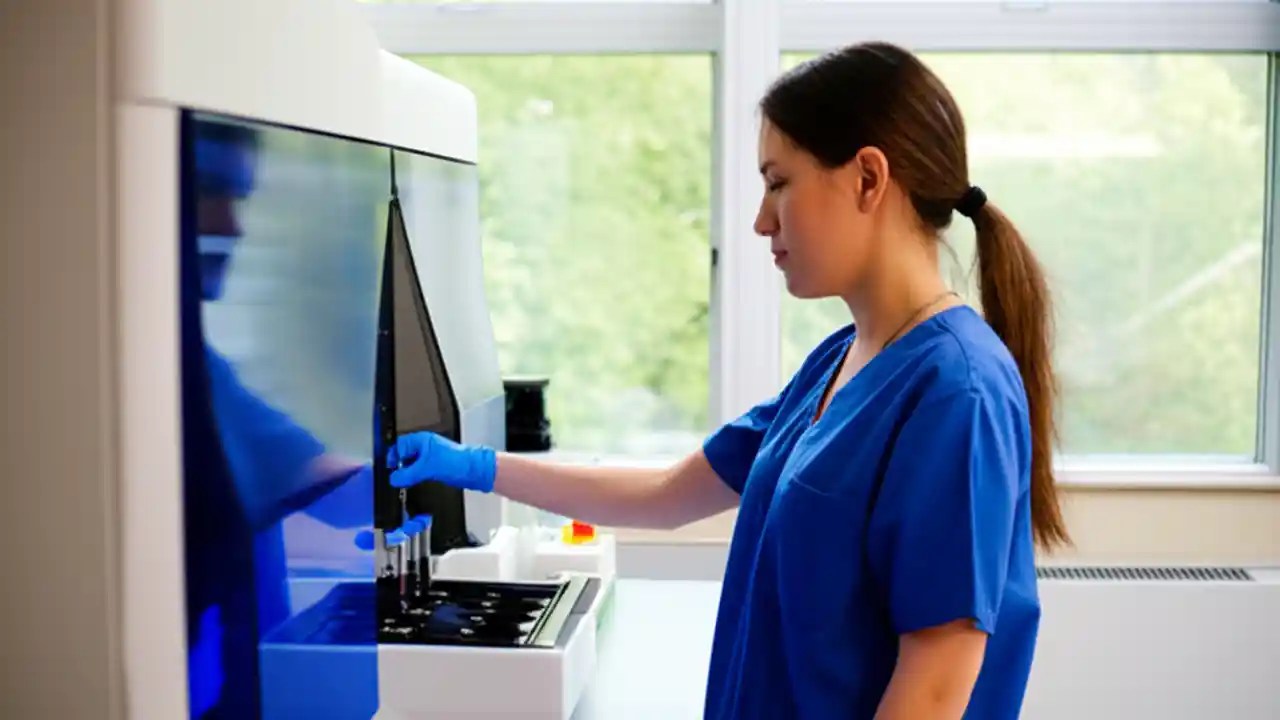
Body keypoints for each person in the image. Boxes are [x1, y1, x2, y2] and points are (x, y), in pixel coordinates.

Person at [388, 41, 1069, 719]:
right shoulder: (840, 361)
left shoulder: (958, 391)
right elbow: (664, 496)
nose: (761, 219)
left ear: (867, 178)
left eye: (778, 182)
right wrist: (478, 467)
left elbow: (936, 684)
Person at [186, 119, 375, 718]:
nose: (232, 226)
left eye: (237, 199)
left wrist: (437, 477)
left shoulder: (198, 365)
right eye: (207, 194)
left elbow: (319, 481)